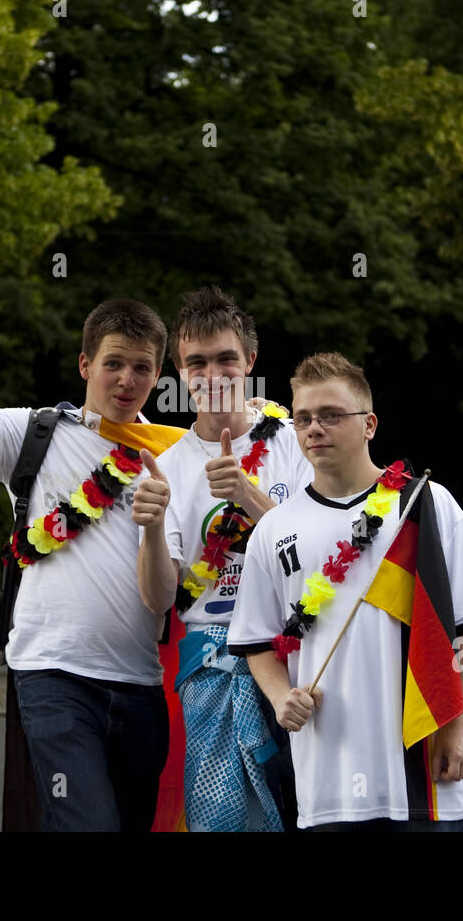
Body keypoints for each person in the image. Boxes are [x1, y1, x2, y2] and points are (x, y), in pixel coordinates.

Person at [0, 236, 183, 831]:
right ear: (85, 365)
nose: (127, 379)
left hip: (140, 683)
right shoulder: (36, 434)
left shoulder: (174, 458)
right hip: (52, 675)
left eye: (143, 367)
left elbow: (169, 593)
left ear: (158, 374)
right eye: (113, 363)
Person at [229, 353, 463, 830]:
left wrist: (460, 726)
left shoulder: (425, 504)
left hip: (422, 769)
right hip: (325, 781)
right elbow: (257, 640)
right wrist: (279, 698)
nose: (315, 428)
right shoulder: (273, 528)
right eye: (304, 418)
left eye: (332, 415)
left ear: (369, 424)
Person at [133, 286, 312, 831]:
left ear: (250, 361)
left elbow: (324, 555)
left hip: (296, 657)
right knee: (219, 822)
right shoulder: (164, 466)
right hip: (210, 666)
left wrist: (251, 498)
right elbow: (159, 600)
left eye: (226, 358)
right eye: (197, 362)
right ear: (180, 372)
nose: (213, 374)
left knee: (299, 813)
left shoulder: (297, 442)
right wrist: (154, 526)